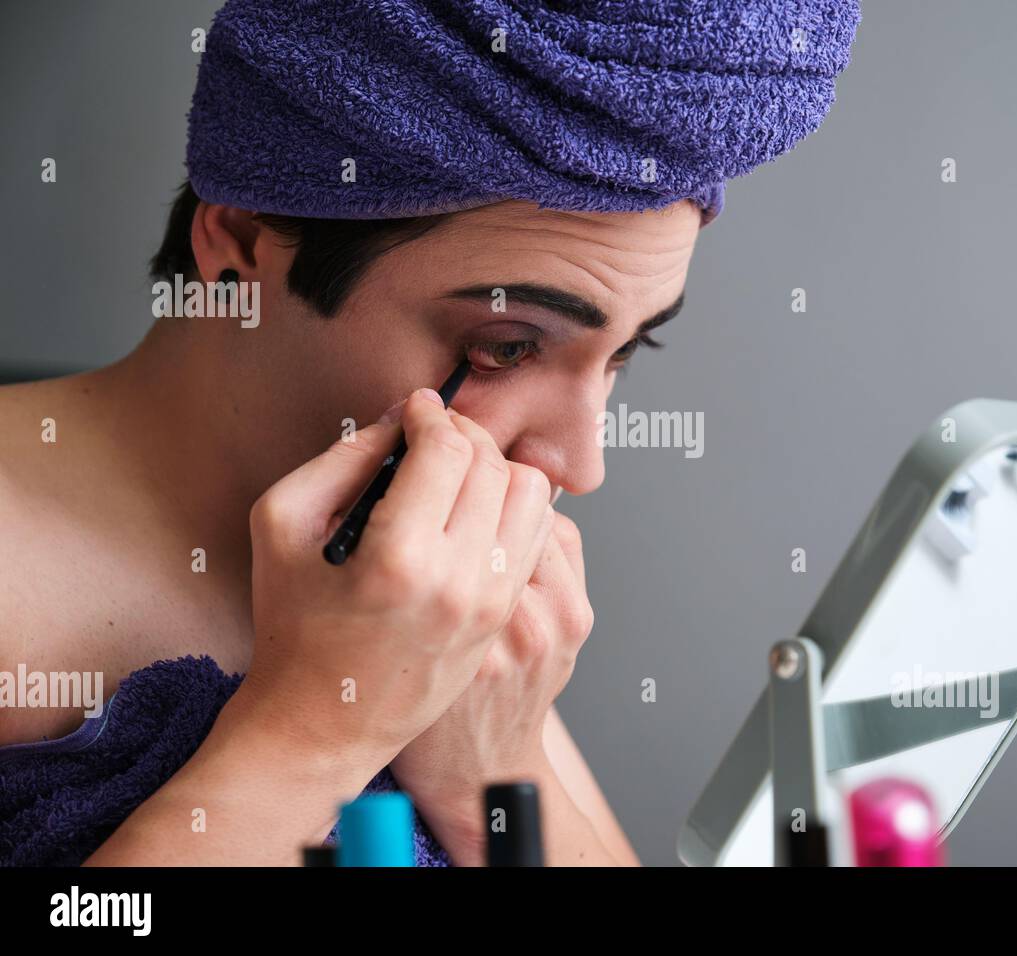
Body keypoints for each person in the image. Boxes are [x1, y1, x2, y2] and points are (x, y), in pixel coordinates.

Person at [0, 0, 859, 865]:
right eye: (506, 347)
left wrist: (492, 770)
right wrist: (316, 735)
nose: (580, 465)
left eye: (623, 354)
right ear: (243, 245)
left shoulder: (422, 571)